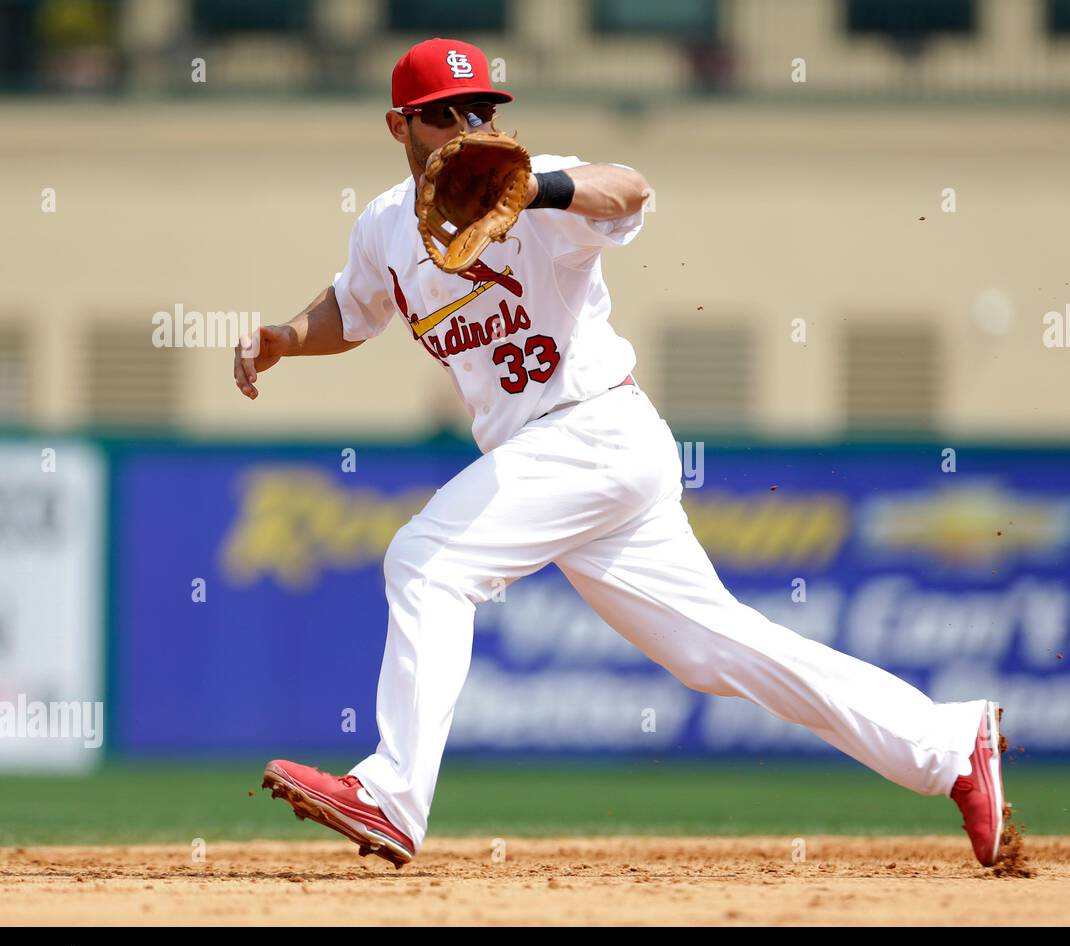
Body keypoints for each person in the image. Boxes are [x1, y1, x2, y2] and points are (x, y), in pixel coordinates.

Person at [241, 38, 1006, 868]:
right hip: (562, 462)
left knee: (426, 561)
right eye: (444, 114)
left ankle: (391, 796)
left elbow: (632, 188)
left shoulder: (530, 187)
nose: (468, 124)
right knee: (717, 650)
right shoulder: (387, 226)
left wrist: (539, 190)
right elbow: (353, 311)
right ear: (400, 124)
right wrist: (284, 337)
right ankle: (948, 743)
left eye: (483, 108)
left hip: (590, 429)